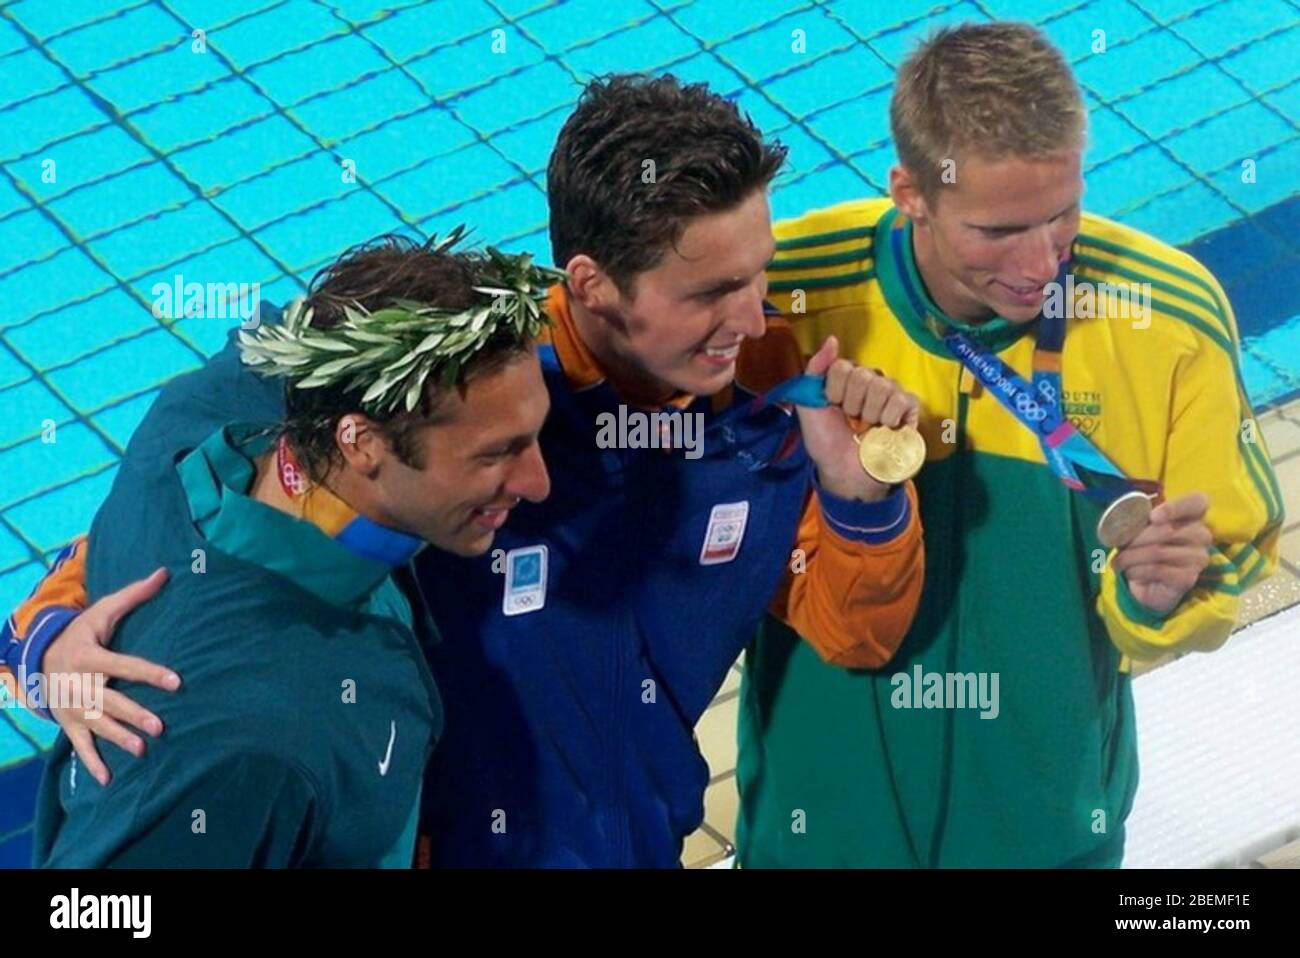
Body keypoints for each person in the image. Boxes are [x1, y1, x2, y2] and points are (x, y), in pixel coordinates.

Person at [3, 75, 926, 867]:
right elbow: (193, 533)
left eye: (757, 277)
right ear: (592, 282)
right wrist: (45, 649)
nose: (754, 319)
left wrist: (863, 497)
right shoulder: (458, 402)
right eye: (712, 293)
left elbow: (858, 634)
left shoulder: (766, 411)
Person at [737, 21, 1285, 868]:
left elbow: (1234, 549)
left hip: (1049, 832)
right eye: (996, 232)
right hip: (816, 827)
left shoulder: (1164, 317)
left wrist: (1160, 597)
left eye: (1061, 215)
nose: (1040, 264)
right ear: (910, 192)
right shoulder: (791, 288)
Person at [23, 232, 556, 866]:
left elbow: (312, 328)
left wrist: (39, 641)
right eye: (496, 453)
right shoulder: (241, 740)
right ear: (360, 443)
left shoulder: (219, 404)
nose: (538, 483)